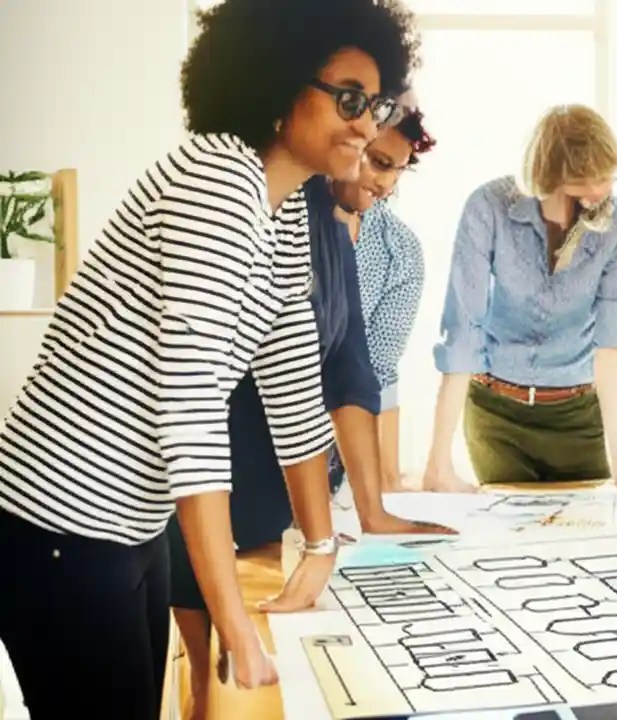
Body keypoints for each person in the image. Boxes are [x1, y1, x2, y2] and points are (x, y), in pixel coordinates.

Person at [0, 0, 420, 716]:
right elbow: (189, 407)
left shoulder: (286, 205)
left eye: (374, 102)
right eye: (349, 98)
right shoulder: (216, 178)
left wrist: (319, 544)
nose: (367, 123)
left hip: (131, 524)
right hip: (58, 526)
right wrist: (234, 621)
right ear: (279, 84)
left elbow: (293, 383)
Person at [166, 99, 448, 720]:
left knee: (257, 636)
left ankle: (217, 682)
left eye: (395, 166)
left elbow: (349, 370)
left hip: (283, 465)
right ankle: (195, 688)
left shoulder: (334, 231)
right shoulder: (259, 202)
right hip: (211, 450)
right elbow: (193, 404)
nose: (380, 177)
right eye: (374, 157)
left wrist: (368, 510)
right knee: (199, 614)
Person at [423, 104, 617, 491]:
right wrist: (437, 465)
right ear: (547, 176)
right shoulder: (487, 207)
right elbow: (462, 334)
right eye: (583, 182)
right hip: (496, 414)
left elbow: (612, 345)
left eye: (607, 179)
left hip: (578, 415)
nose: (598, 192)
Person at [329, 97, 435, 492]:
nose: (388, 183)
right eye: (379, 162)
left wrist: (385, 480)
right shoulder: (293, 222)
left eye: (399, 171)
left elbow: (379, 371)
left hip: (340, 458)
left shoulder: (400, 251)